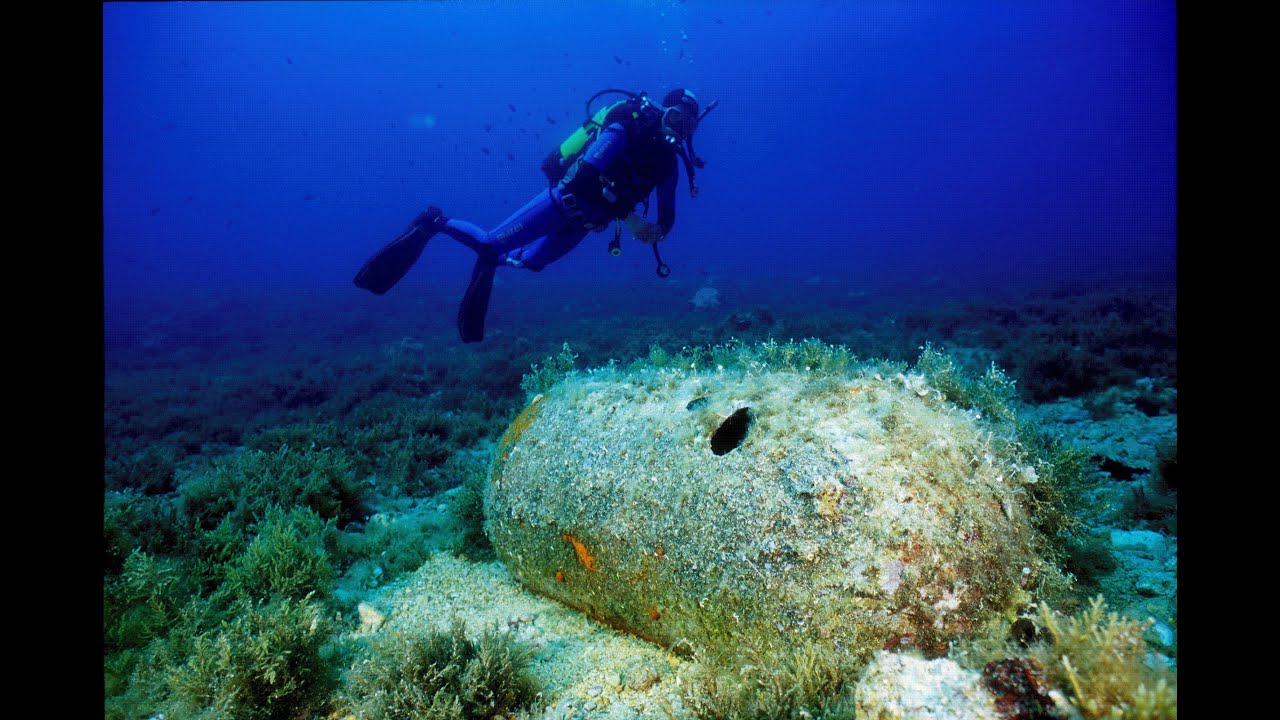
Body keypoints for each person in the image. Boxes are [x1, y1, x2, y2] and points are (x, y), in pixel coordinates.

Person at [353, 88, 714, 343]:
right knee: (490, 244)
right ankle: (434, 222)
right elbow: (587, 174)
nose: (679, 130)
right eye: (676, 118)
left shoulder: (669, 164)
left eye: (688, 127)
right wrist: (632, 220)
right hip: (562, 203)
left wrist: (657, 231)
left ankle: (490, 264)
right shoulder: (626, 127)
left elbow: (668, 213)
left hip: (584, 226)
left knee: (531, 264)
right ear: (662, 111)